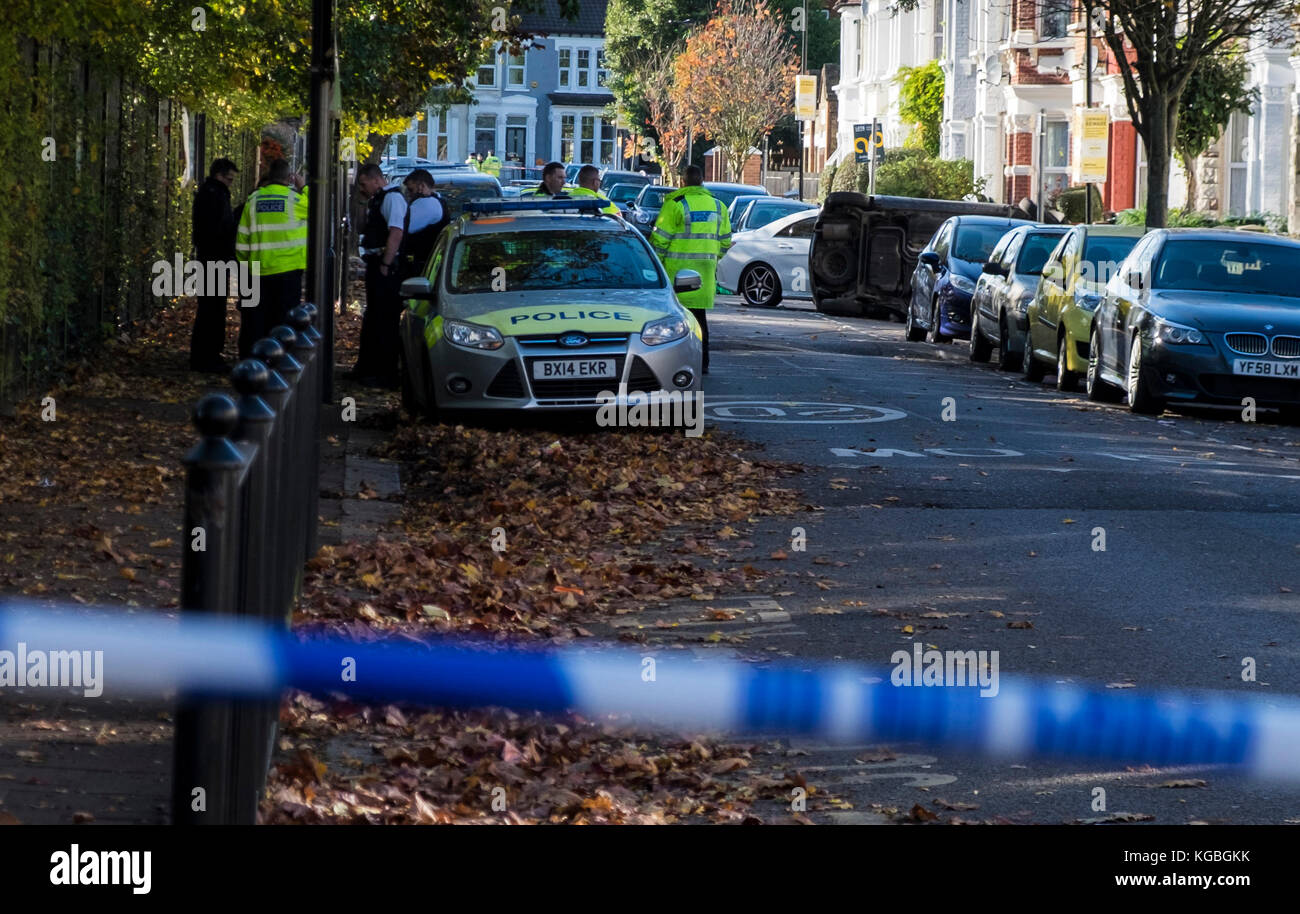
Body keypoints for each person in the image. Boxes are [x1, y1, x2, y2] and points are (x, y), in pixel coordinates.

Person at [650, 164, 730, 375]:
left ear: (682, 182)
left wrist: (653, 268)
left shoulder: (675, 204)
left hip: (676, 273)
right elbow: (725, 241)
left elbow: (660, 241)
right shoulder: (718, 205)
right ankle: (703, 363)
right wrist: (712, 257)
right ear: (702, 180)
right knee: (699, 319)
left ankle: (674, 364)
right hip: (704, 272)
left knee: (674, 321)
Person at [233, 158, 308, 359]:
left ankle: (251, 363)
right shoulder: (294, 200)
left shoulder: (253, 200)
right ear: (289, 178)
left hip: (257, 271)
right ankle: (280, 363)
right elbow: (317, 207)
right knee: (283, 323)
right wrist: (304, 186)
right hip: (288, 272)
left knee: (254, 323)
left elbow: (242, 240)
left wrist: (245, 265)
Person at [349, 162, 407, 387]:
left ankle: (385, 373)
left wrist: (385, 263)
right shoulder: (378, 198)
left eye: (364, 184)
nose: (363, 189)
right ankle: (368, 368)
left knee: (385, 320)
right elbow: (363, 227)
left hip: (386, 265)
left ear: (376, 179)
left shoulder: (393, 198)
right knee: (373, 317)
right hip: (376, 262)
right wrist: (364, 203)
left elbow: (396, 232)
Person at [190, 157, 239, 372]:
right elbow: (221, 227)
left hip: (208, 257)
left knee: (210, 308)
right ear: (220, 174)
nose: (231, 182)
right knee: (213, 309)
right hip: (215, 258)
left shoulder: (208, 192)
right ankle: (208, 357)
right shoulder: (216, 194)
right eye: (229, 177)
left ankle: (203, 355)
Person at [400, 169, 449, 279]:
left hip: (421, 267)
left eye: (411, 190)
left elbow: (401, 227)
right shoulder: (437, 201)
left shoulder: (427, 203)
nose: (409, 194)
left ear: (421, 186)